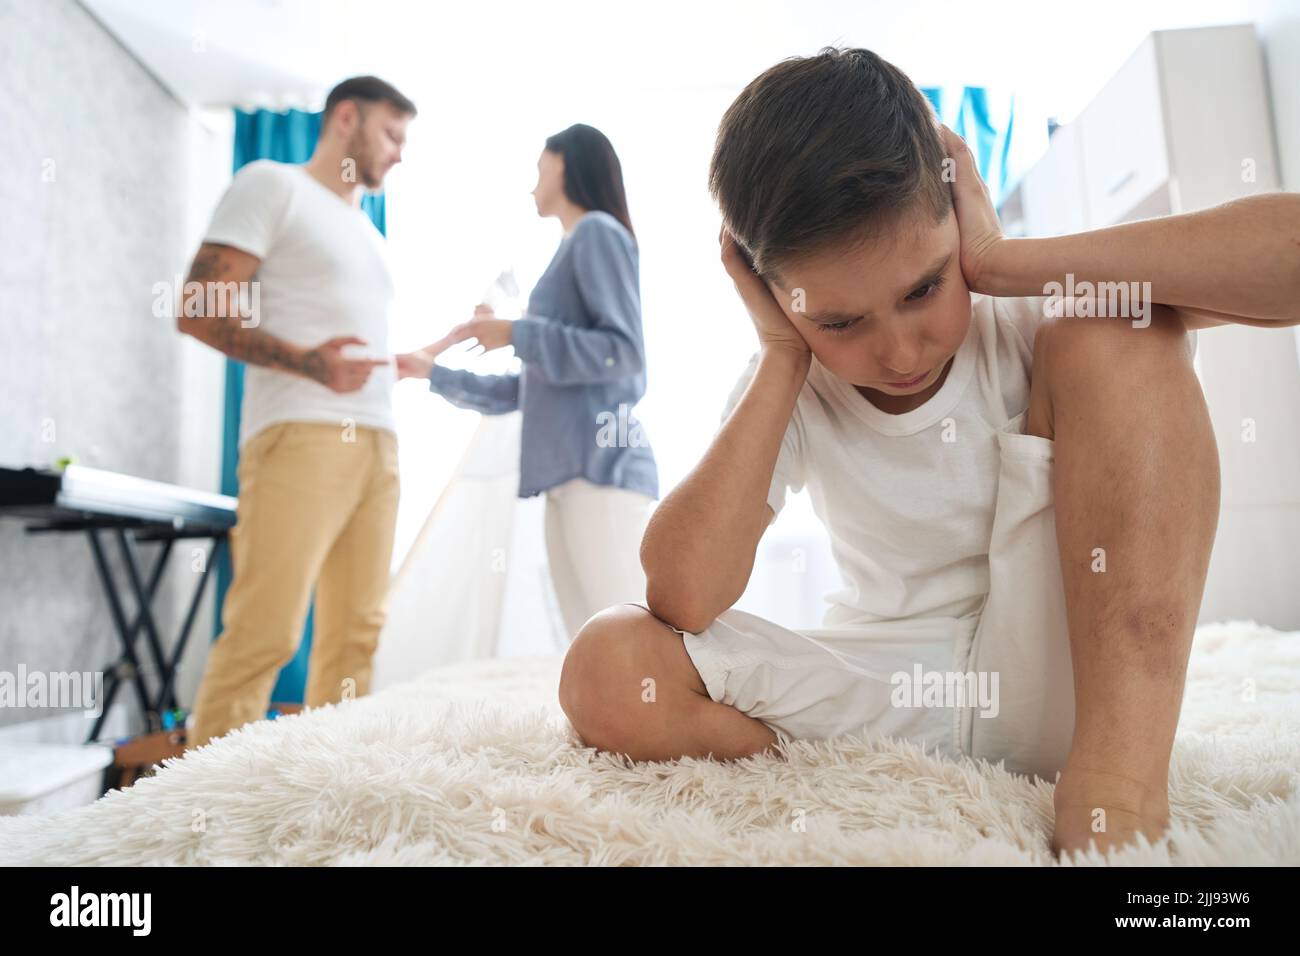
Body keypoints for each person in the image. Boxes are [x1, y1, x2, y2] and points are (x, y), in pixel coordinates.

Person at [556, 47, 1300, 857]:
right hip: (888, 688)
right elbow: (682, 593)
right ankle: (805, 767)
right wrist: (782, 355)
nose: (902, 349)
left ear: (956, 210)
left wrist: (1003, 263)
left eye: (925, 288)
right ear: (773, 294)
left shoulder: (1026, 313)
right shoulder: (791, 377)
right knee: (606, 662)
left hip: (1073, 674)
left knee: (1118, 320)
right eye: (839, 323)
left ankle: (1117, 788)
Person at [180, 76, 416, 748]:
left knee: (355, 638)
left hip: (379, 442)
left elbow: (344, 335)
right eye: (392, 134)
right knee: (267, 631)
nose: (400, 153)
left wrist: (397, 361)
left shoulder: (369, 234)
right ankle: (201, 814)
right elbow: (197, 307)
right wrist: (314, 363)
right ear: (347, 118)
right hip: (300, 434)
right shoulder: (272, 184)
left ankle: (326, 800)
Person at [398, 124, 658, 639]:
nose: (532, 185)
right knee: (595, 643)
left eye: (539, 169)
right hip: (570, 473)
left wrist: (518, 331)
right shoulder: (575, 244)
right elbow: (528, 392)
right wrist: (434, 373)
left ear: (564, 165)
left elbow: (623, 356)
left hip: (599, 468)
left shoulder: (596, 233)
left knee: (628, 638)